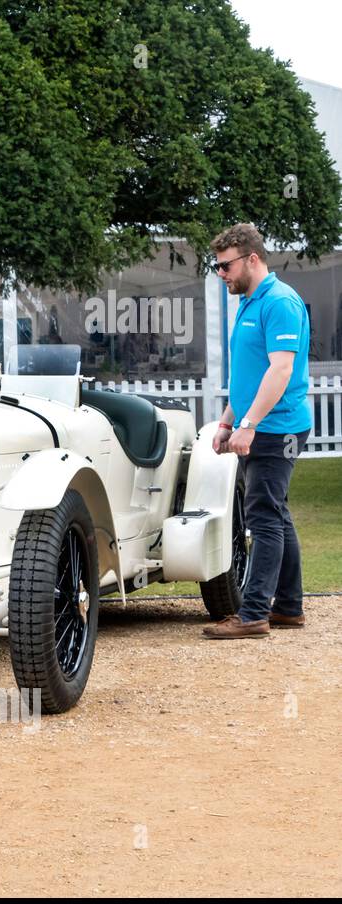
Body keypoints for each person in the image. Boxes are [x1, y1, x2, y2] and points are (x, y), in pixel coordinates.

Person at [203, 223, 313, 641]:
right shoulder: (248, 301)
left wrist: (249, 425)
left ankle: (252, 615)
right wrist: (229, 420)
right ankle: (288, 608)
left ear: (252, 258)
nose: (221, 274)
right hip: (258, 424)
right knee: (276, 515)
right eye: (217, 267)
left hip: (276, 427)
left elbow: (281, 370)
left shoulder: (280, 302)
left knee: (263, 518)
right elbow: (248, 375)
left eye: (226, 266)